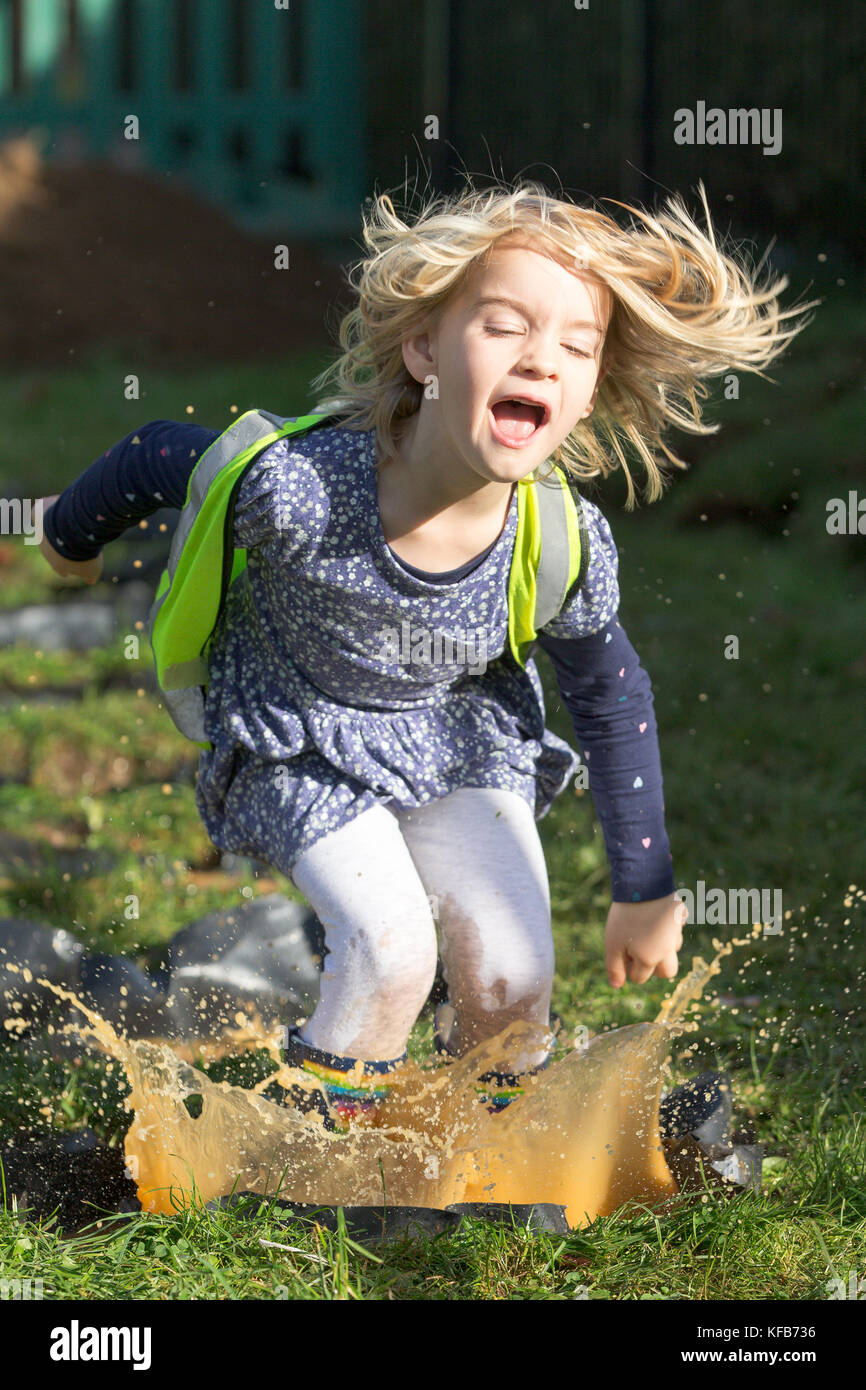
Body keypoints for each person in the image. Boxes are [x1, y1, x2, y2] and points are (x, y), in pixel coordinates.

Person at [37, 178, 814, 1133]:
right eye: (504, 327)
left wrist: (643, 884)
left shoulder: (558, 540)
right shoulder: (304, 494)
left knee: (515, 974)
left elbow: (610, 696)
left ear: (591, 389)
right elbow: (161, 453)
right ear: (423, 350)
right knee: (390, 947)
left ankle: (486, 1142)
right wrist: (68, 536)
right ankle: (317, 1150)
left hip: (457, 746)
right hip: (302, 741)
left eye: (577, 346)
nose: (544, 358)